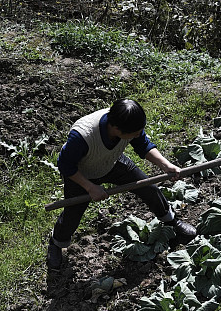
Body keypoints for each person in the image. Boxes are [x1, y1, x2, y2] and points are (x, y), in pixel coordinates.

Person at [48, 99, 197, 269]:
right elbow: (65, 165)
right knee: (73, 213)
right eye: (134, 133)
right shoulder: (83, 135)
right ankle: (56, 243)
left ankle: (172, 222)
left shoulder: (127, 122)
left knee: (148, 187)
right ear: (117, 129)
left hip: (111, 163)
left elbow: (143, 145)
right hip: (82, 174)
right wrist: (90, 187)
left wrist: (165, 164)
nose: (136, 135)